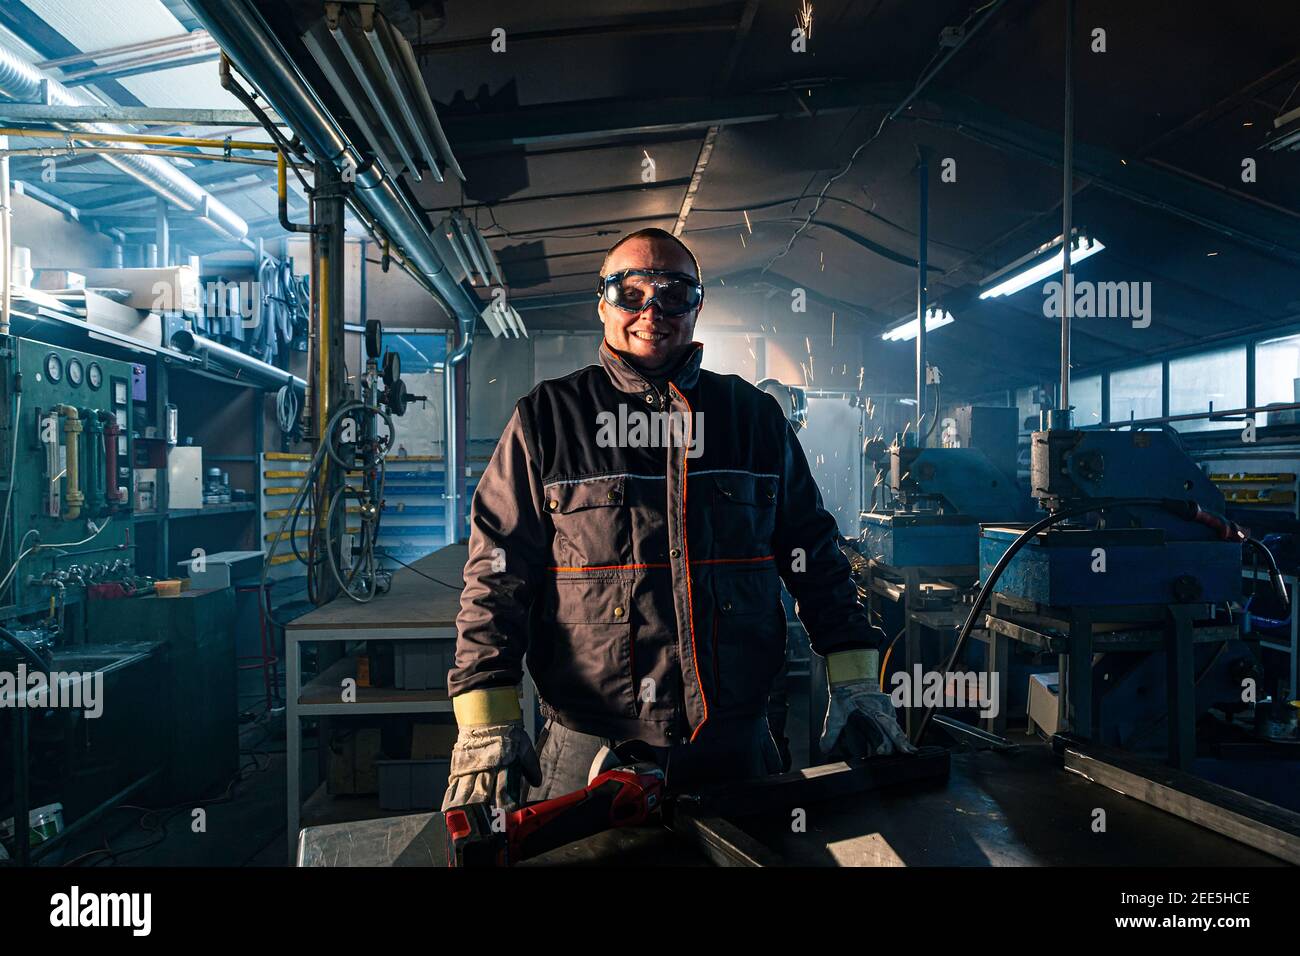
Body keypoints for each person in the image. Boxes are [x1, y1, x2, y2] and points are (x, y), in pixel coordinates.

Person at [442, 227, 913, 812]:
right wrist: (486, 716)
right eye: (630, 293)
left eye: (673, 294)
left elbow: (814, 555)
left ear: (696, 306)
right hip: (590, 747)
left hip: (734, 746)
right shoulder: (547, 420)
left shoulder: (751, 420)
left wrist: (857, 679)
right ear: (602, 303)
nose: (652, 312)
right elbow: (496, 573)